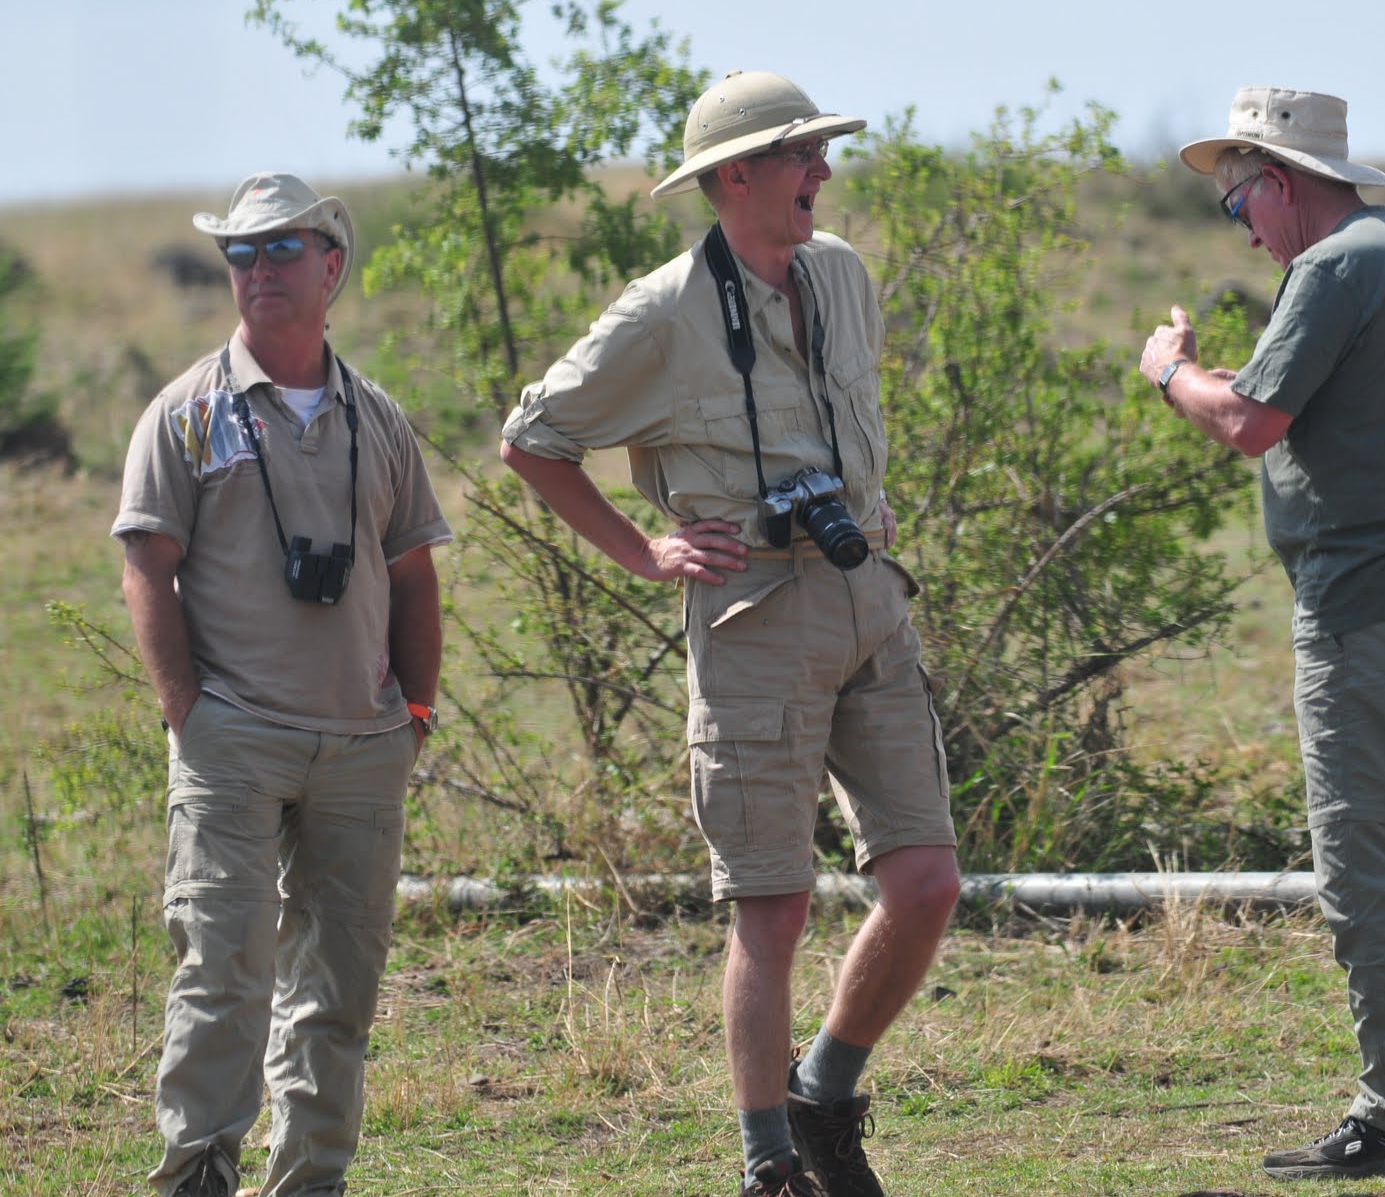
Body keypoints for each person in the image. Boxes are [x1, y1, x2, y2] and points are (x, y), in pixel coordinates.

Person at [500, 70, 960, 1197]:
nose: (822, 170)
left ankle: (826, 1092)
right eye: (799, 153)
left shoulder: (840, 271)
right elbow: (532, 438)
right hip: (752, 615)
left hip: (867, 596)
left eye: (820, 151)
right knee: (774, 901)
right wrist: (645, 549)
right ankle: (767, 1163)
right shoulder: (662, 311)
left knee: (927, 882)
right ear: (732, 176)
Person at [1138, 87, 1385, 1181]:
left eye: (1237, 199)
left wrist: (1167, 371)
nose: (1240, 226)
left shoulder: (1335, 265)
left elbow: (1248, 420)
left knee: (1364, 858)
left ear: (1280, 180)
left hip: (1368, 597)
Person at [114, 172, 452, 1197]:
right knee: (223, 975)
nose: (258, 268)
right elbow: (147, 567)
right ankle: (197, 1178)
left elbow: (412, 571)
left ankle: (310, 1181)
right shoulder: (185, 414)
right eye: (242, 252)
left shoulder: (377, 419)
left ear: (331, 266)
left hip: (362, 741)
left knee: (337, 989)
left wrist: (416, 712)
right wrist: (191, 714)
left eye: (282, 249)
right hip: (235, 738)